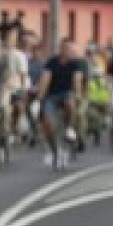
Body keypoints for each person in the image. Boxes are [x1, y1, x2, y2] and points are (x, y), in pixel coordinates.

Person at [33, 38, 84, 167]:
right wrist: (40, 97)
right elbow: (45, 79)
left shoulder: (75, 64)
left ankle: (69, 128)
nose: (67, 50)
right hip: (51, 96)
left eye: (69, 48)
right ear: (60, 49)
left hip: (67, 94)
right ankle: (53, 150)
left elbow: (77, 80)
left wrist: (78, 94)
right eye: (64, 48)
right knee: (48, 124)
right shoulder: (52, 62)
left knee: (70, 103)